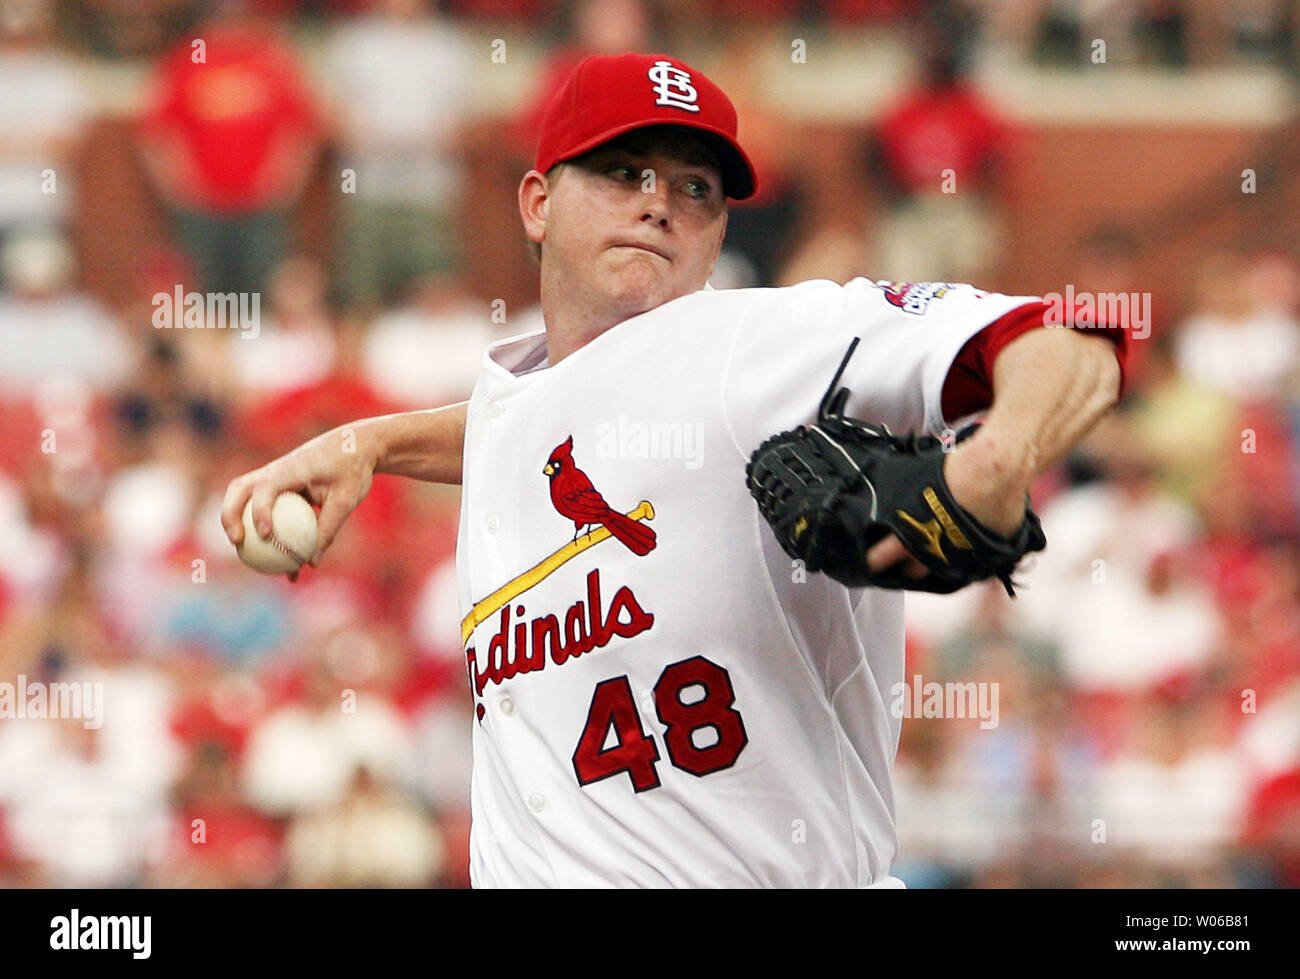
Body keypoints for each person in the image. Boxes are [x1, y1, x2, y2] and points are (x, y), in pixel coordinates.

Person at [222, 52, 1128, 887]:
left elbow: (1074, 336)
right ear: (538, 202)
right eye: (624, 172)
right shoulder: (518, 408)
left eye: (695, 186)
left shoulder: (757, 346)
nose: (659, 203)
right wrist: (372, 443)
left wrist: (993, 463)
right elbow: (538, 421)